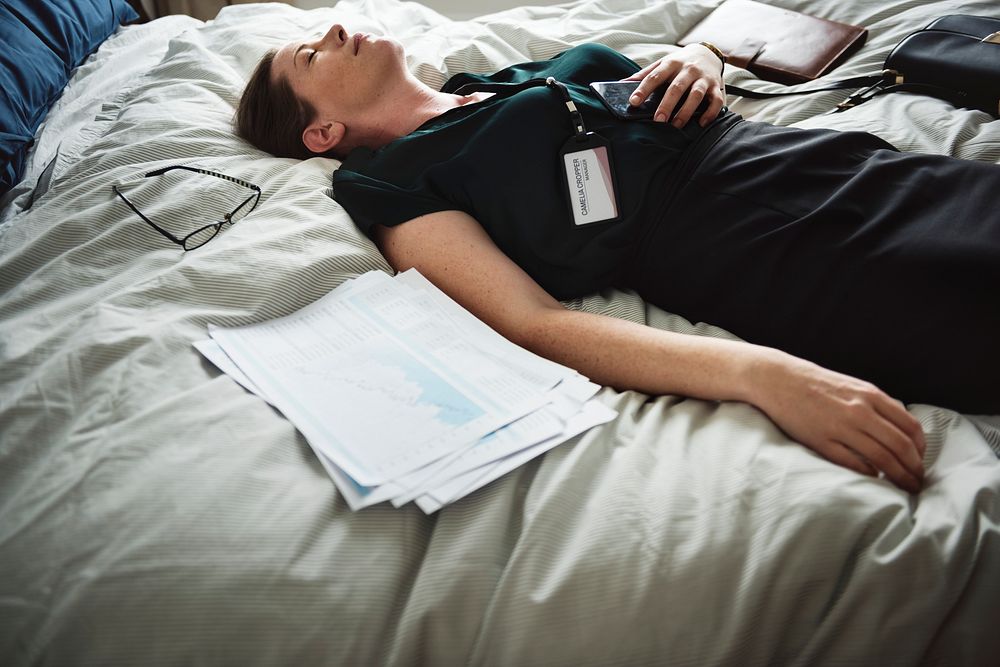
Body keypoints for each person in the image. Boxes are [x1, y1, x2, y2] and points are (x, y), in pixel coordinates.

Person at [235, 23, 1000, 494]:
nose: (333, 28)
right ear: (320, 133)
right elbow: (531, 323)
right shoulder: (388, 182)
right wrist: (760, 373)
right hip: (780, 245)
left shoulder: (496, 83)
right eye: (309, 54)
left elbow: (664, 76)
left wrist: (699, 60)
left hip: (843, 166)